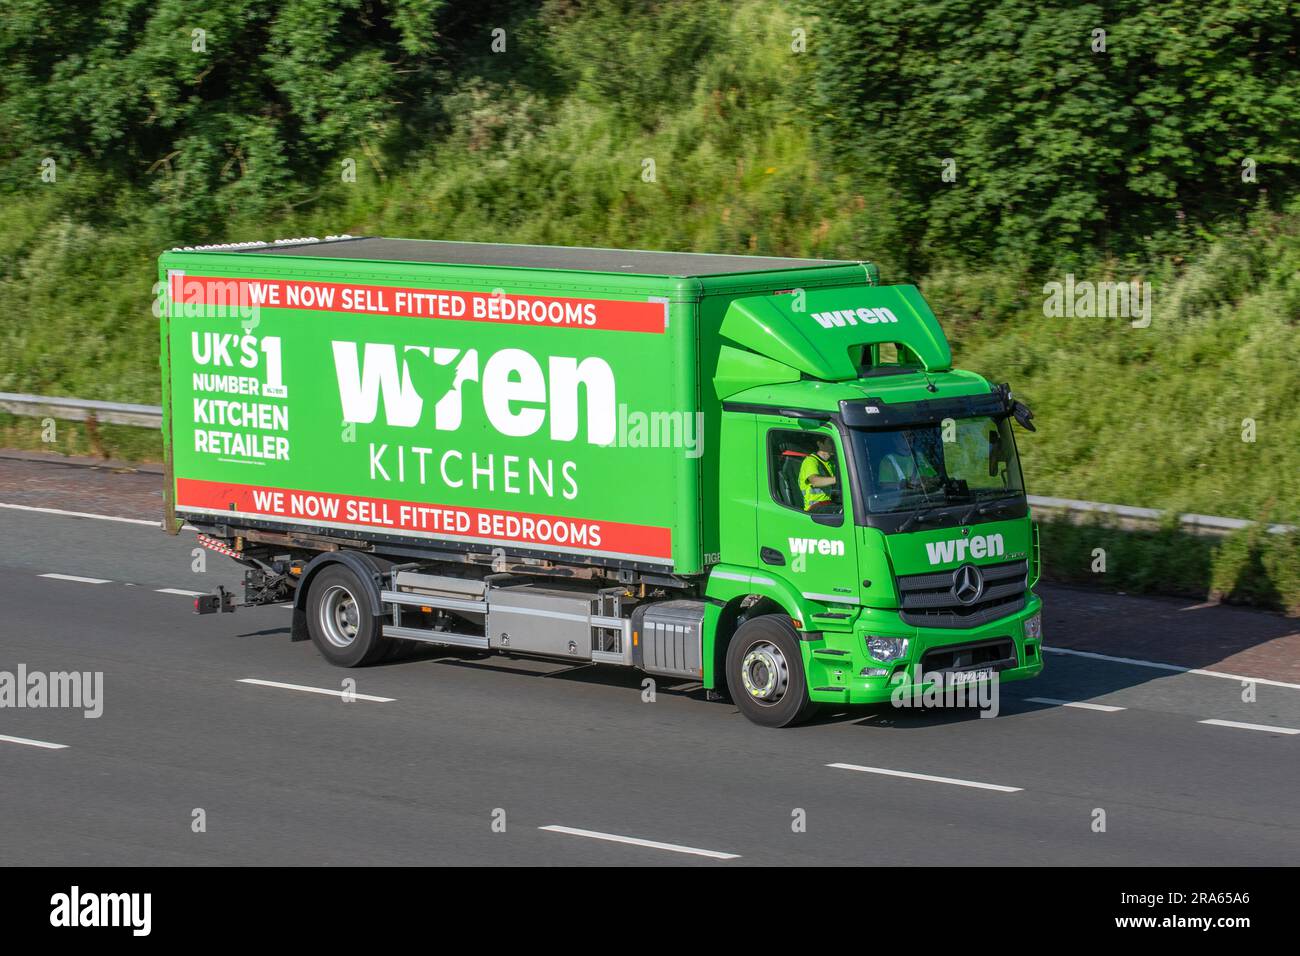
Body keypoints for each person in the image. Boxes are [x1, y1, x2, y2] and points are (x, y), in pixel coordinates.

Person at [799, 436, 839, 511]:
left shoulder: (831, 463)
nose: (834, 444)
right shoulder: (810, 461)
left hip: (829, 504)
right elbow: (815, 481)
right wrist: (839, 479)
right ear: (820, 444)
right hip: (814, 508)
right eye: (830, 441)